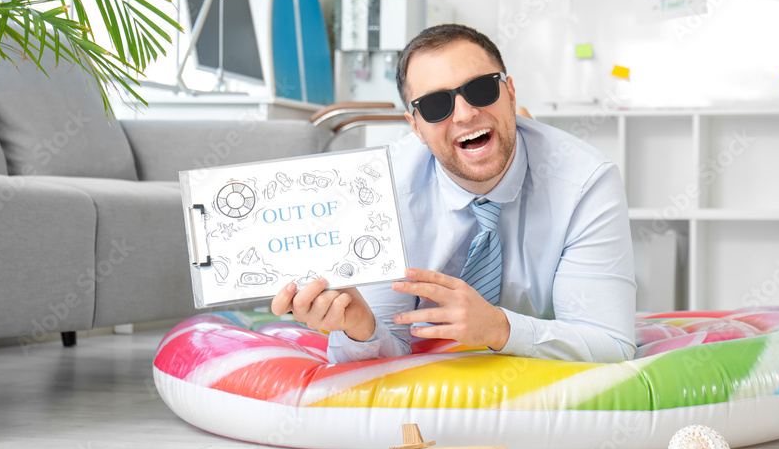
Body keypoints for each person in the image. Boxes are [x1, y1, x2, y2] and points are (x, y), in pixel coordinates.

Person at [271, 24, 636, 363]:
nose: (464, 114)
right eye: (436, 105)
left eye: (481, 89)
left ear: (509, 92)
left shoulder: (586, 183)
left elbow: (611, 343)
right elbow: (385, 353)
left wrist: (498, 328)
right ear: (415, 127)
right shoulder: (382, 191)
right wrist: (361, 328)